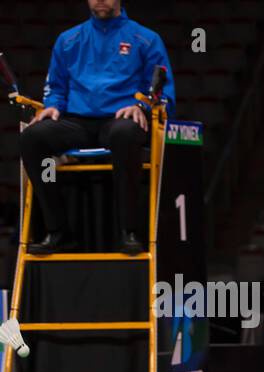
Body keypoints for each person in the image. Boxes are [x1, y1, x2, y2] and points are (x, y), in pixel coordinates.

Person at [20, 0, 176, 256]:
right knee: (32, 138)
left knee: (124, 134)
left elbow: (163, 91)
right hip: (77, 121)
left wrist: (145, 106)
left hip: (122, 117)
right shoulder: (68, 40)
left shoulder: (146, 39)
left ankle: (129, 231)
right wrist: (52, 105)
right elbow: (56, 87)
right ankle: (58, 231)